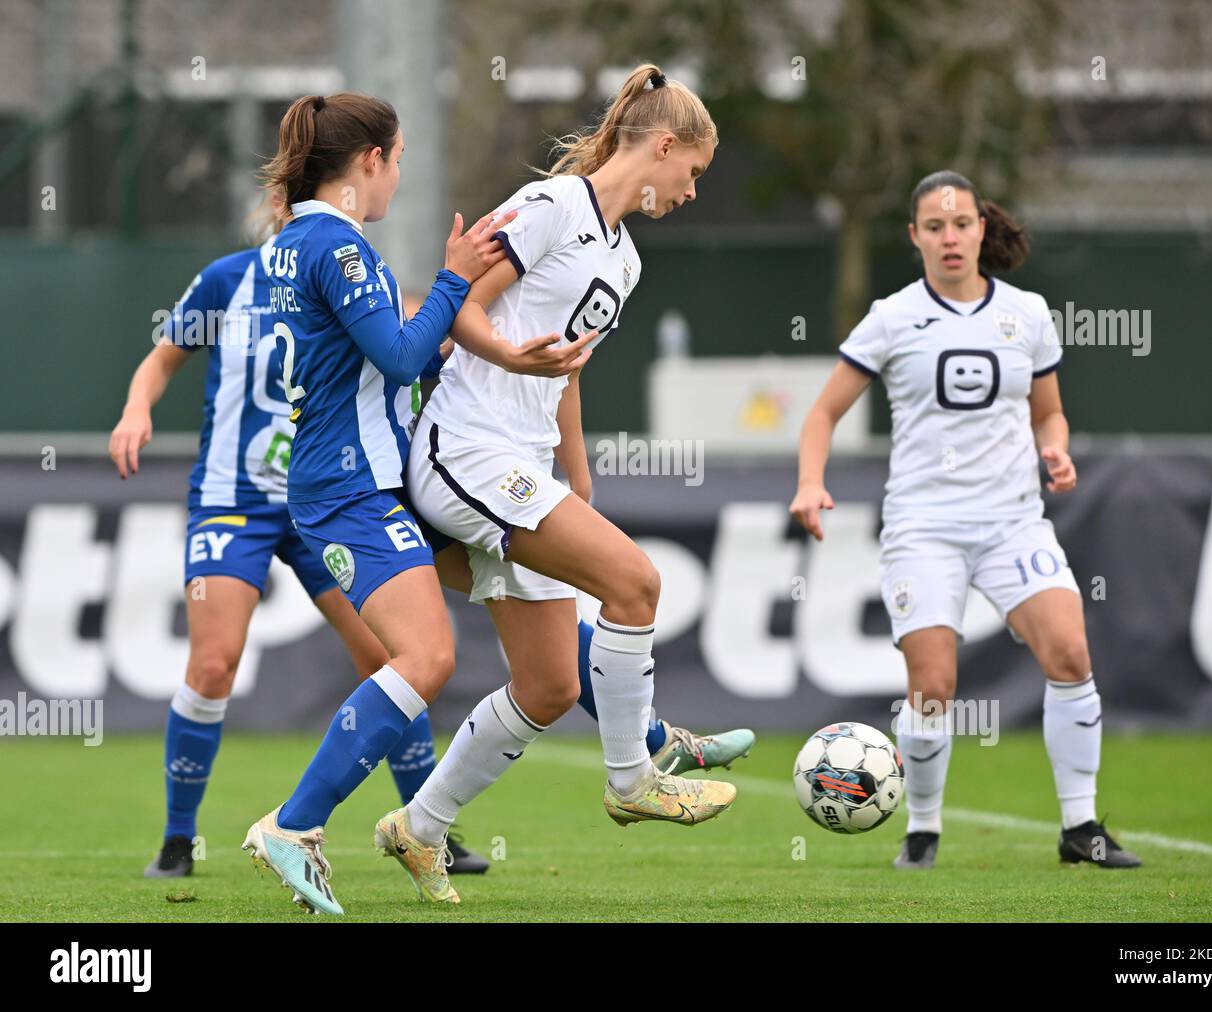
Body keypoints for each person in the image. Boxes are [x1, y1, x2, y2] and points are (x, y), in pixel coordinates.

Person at [380, 64, 742, 905]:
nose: (691, 193)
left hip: (522, 462)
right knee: (637, 582)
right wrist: (505, 355)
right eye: (692, 173)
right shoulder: (550, 208)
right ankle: (633, 779)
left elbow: (565, 373)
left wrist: (576, 480)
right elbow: (458, 304)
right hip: (463, 448)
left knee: (549, 685)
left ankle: (418, 827)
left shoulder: (624, 262)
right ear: (660, 146)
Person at [108, 204, 489, 878]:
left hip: (324, 494)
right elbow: (160, 360)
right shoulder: (228, 281)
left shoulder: (346, 272)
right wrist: (137, 407)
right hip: (236, 499)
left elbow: (405, 353)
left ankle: (428, 829)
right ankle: (176, 841)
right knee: (214, 664)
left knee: (389, 657)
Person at [789, 170, 1141, 871]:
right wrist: (809, 482)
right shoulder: (891, 317)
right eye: (935, 226)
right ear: (915, 237)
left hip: (1014, 522)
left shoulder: (1028, 314)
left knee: (1070, 653)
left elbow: (1049, 411)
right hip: (924, 527)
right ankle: (922, 829)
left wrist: (1057, 450)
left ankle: (1081, 827)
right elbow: (824, 411)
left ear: (982, 228)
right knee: (934, 686)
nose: (950, 237)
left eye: (961, 223)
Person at [238, 92, 511, 915]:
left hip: (371, 476)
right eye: (398, 161)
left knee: (522, 580)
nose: (399, 177)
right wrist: (456, 277)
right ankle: (294, 824)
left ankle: (642, 744)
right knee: (426, 660)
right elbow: (397, 359)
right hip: (353, 485)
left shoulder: (292, 241)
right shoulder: (339, 246)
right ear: (369, 162)